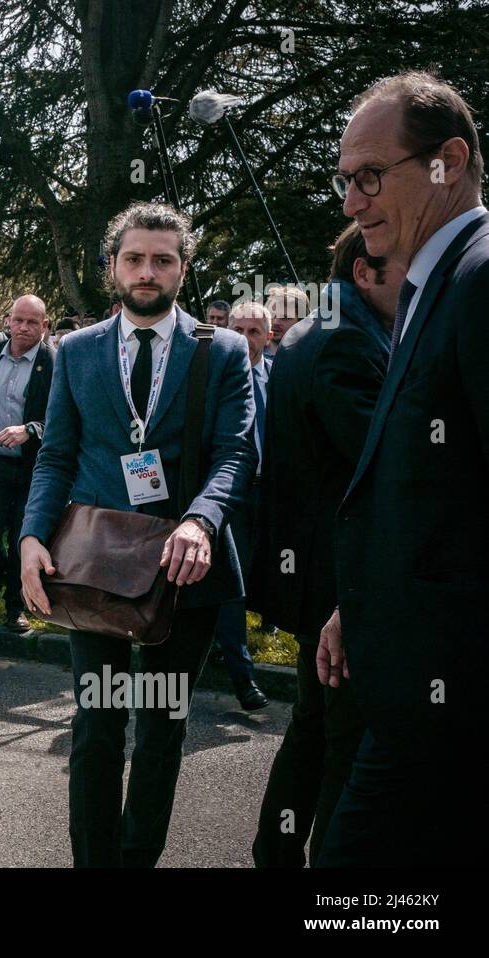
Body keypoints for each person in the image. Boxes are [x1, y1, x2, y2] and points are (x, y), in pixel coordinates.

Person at [18, 202, 257, 867]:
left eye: (162, 259)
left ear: (183, 267)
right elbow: (56, 454)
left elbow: (237, 453)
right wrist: (32, 537)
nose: (147, 272)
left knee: (160, 731)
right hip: (95, 567)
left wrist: (201, 521)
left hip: (185, 574)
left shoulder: (223, 351)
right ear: (112, 266)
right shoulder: (77, 350)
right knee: (96, 727)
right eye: (133, 258)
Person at [317, 71, 488, 867]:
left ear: (448, 162)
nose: (352, 203)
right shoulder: (434, 284)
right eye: (345, 181)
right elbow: (437, 490)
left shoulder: (481, 280)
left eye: (370, 178)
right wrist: (365, 604)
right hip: (413, 692)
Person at [247, 221, 397, 867]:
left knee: (313, 728)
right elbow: (381, 465)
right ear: (365, 272)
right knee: (347, 742)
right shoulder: (344, 342)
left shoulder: (319, 332)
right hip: (344, 581)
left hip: (317, 578)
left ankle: (274, 854)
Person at [0, 295, 54, 631]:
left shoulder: (53, 363)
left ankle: (14, 607)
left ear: (45, 326)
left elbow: (64, 420)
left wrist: (30, 430)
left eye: (32, 322)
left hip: (33, 468)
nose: (23, 328)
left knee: (24, 536)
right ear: (8, 320)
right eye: (18, 320)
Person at [211, 302, 272, 710]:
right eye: (240, 330)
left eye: (255, 331)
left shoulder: (282, 376)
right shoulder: (216, 377)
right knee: (230, 586)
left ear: (269, 336)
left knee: (258, 576)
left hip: (270, 495)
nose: (247, 339)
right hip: (226, 496)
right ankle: (243, 676)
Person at [263, 284, 309, 362]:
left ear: (301, 321)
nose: (276, 322)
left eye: (285, 318)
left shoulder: (310, 358)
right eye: (272, 315)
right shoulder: (249, 354)